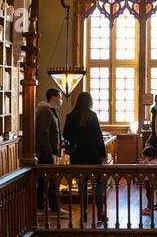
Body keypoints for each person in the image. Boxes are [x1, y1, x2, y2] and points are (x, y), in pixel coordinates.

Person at [63, 91, 107, 224]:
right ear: (90, 102)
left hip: (77, 155)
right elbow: (99, 137)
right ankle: (100, 213)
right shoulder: (92, 115)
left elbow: (65, 135)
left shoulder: (70, 116)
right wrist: (103, 154)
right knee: (98, 185)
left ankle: (84, 214)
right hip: (93, 155)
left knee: (81, 185)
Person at [35, 86, 62, 213]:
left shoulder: (49, 110)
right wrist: (49, 152)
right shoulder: (45, 111)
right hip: (45, 153)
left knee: (44, 181)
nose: (60, 99)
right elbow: (43, 133)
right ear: (53, 97)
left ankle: (42, 206)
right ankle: (54, 208)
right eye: (59, 96)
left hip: (48, 152)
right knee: (51, 180)